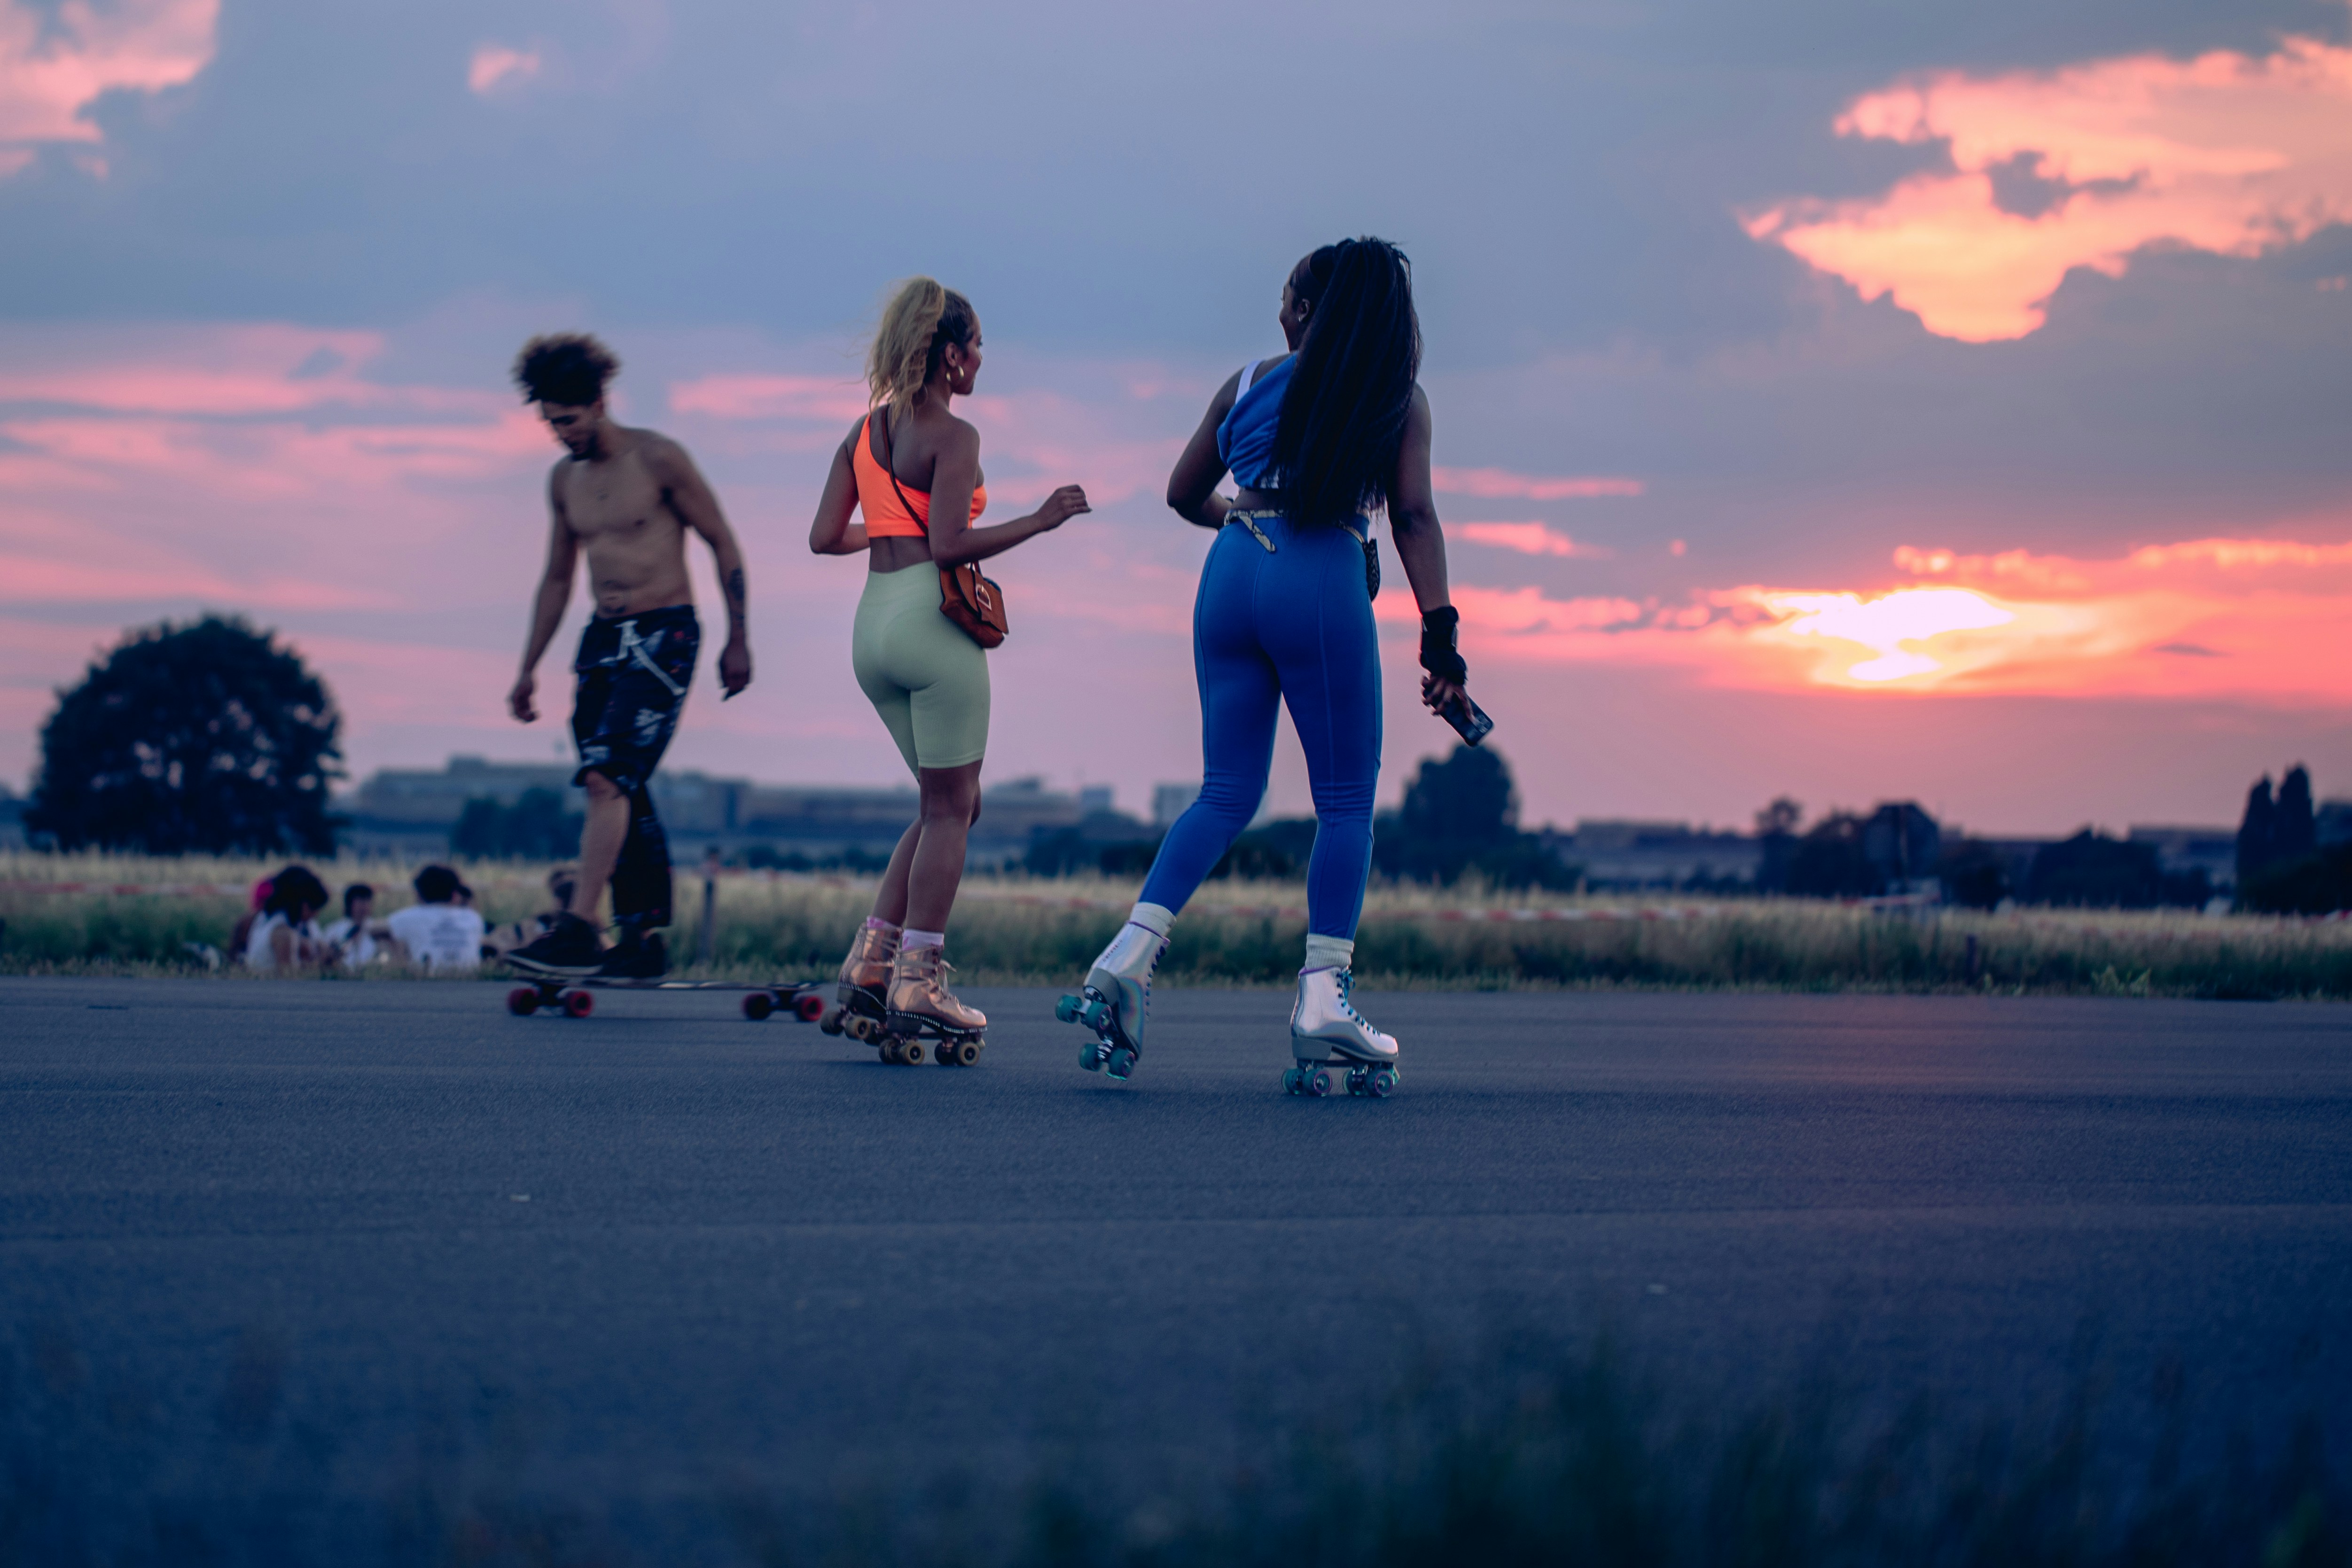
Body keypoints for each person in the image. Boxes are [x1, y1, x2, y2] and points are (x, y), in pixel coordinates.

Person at [1063, 238, 1469, 1080]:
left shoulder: (1244, 382)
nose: (1278, 311)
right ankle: (1324, 995)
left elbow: (1182, 493)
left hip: (1231, 572)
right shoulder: (1396, 398)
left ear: (1311, 311)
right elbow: (1413, 517)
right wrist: (1442, 640)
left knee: (1225, 792)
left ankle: (1129, 953)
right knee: (1345, 801)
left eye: (1288, 297)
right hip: (1321, 577)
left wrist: (1252, 529)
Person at [807, 278, 1090, 1047]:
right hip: (931, 626)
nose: (982, 361)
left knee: (947, 807)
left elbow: (825, 537)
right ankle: (920, 982)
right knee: (950, 809)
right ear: (951, 356)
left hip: (872, 628)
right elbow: (949, 545)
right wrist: (1040, 520)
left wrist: (886, 532)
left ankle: (872, 964)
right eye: (978, 348)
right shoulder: (954, 437)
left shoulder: (862, 433)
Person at [501, 334, 752, 979]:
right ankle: (640, 940)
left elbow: (722, 541)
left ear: (598, 403)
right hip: (603, 638)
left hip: (666, 634)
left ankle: (579, 925)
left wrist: (738, 636)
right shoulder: (565, 480)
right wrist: (528, 667)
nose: (561, 434)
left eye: (569, 420)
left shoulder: (658, 459)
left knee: (606, 776)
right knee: (620, 785)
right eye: (551, 423)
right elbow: (558, 577)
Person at [387, 865, 488, 973]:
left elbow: (376, 929)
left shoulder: (409, 917)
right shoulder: (473, 918)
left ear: (419, 894)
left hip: (426, 979)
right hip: (469, 979)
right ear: (455, 895)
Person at [243, 865, 331, 972]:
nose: (315, 915)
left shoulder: (265, 919)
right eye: (313, 908)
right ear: (299, 902)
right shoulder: (284, 934)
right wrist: (322, 963)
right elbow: (290, 978)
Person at [321, 882, 383, 968]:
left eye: (367, 901)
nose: (364, 906)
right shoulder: (334, 929)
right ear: (350, 904)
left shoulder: (379, 929)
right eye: (360, 901)